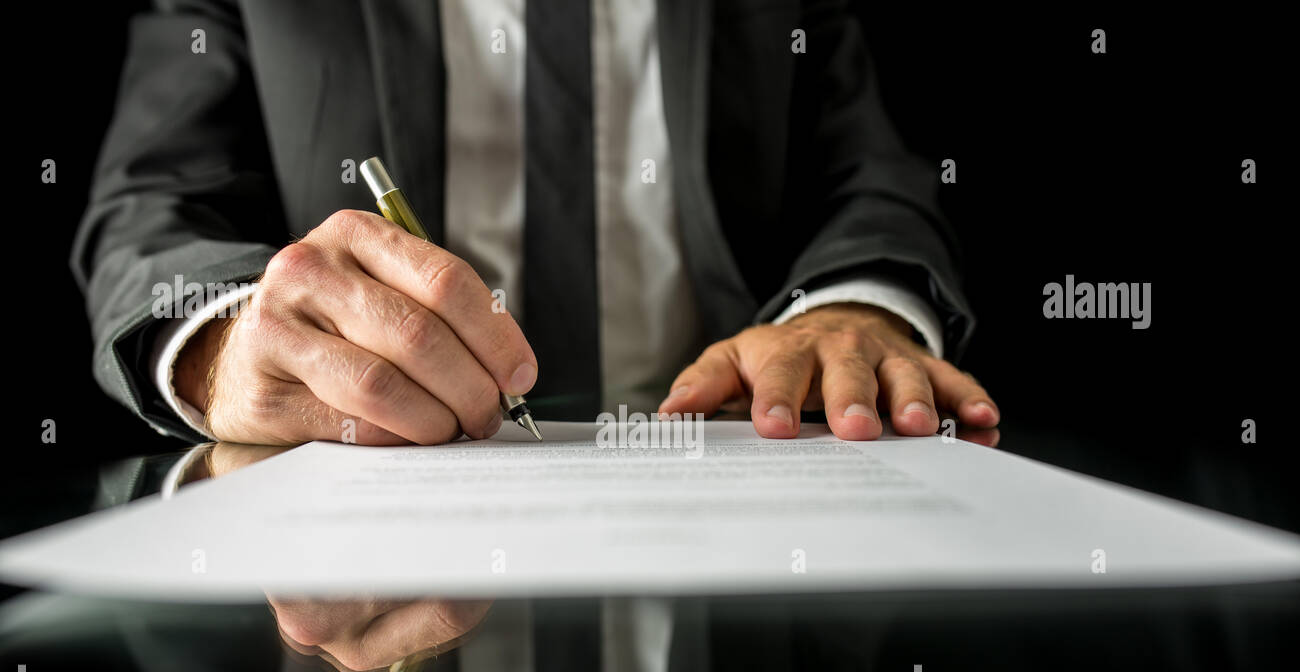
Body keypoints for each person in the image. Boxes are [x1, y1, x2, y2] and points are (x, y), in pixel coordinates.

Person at [73, 0, 998, 448]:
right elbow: (147, 205)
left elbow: (871, 172)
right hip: (381, 528)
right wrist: (230, 343)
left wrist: (848, 312)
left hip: (733, 474)